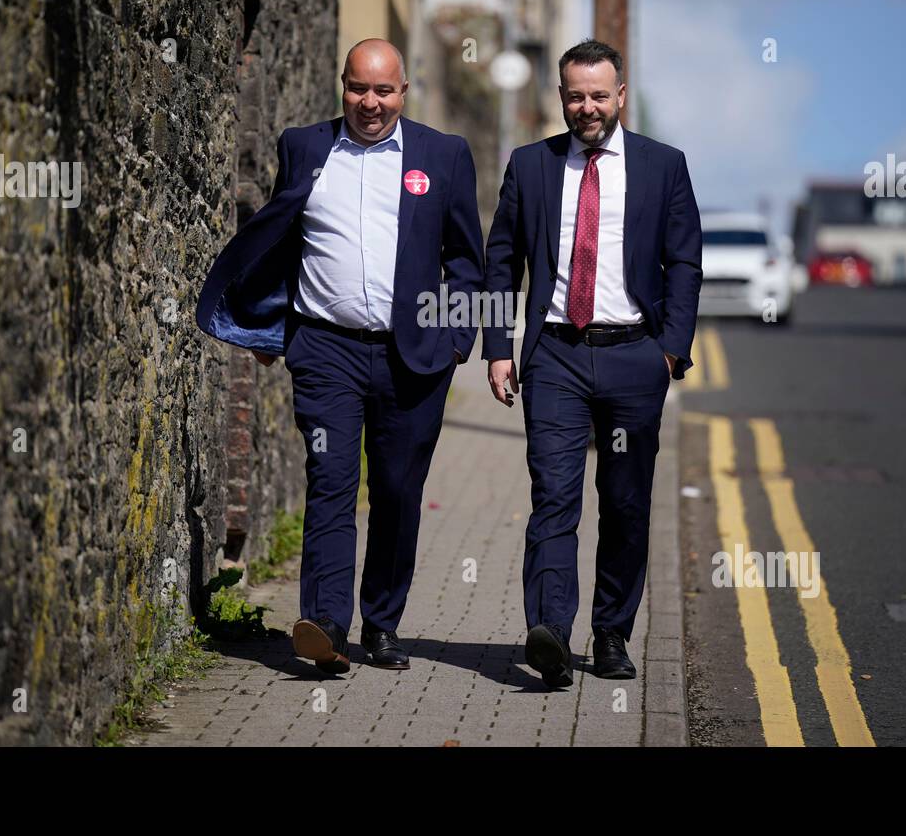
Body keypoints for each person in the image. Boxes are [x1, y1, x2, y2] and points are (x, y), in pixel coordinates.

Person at [196, 39, 484, 673]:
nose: (370, 103)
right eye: (359, 88)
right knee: (330, 482)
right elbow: (280, 238)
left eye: (384, 91)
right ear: (342, 87)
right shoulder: (304, 147)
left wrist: (459, 341)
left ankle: (381, 624)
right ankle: (325, 624)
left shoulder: (443, 154)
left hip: (414, 358)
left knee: (398, 492)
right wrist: (270, 329)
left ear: (403, 93)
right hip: (326, 348)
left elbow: (466, 260)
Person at [481, 39, 703, 689]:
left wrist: (671, 350)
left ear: (621, 96)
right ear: (561, 97)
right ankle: (549, 632)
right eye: (575, 96)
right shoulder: (531, 165)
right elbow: (502, 263)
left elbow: (684, 261)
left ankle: (611, 634)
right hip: (555, 358)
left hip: (636, 355)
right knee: (553, 496)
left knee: (627, 502)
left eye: (599, 95)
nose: (587, 107)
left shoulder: (664, 167)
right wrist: (499, 348)